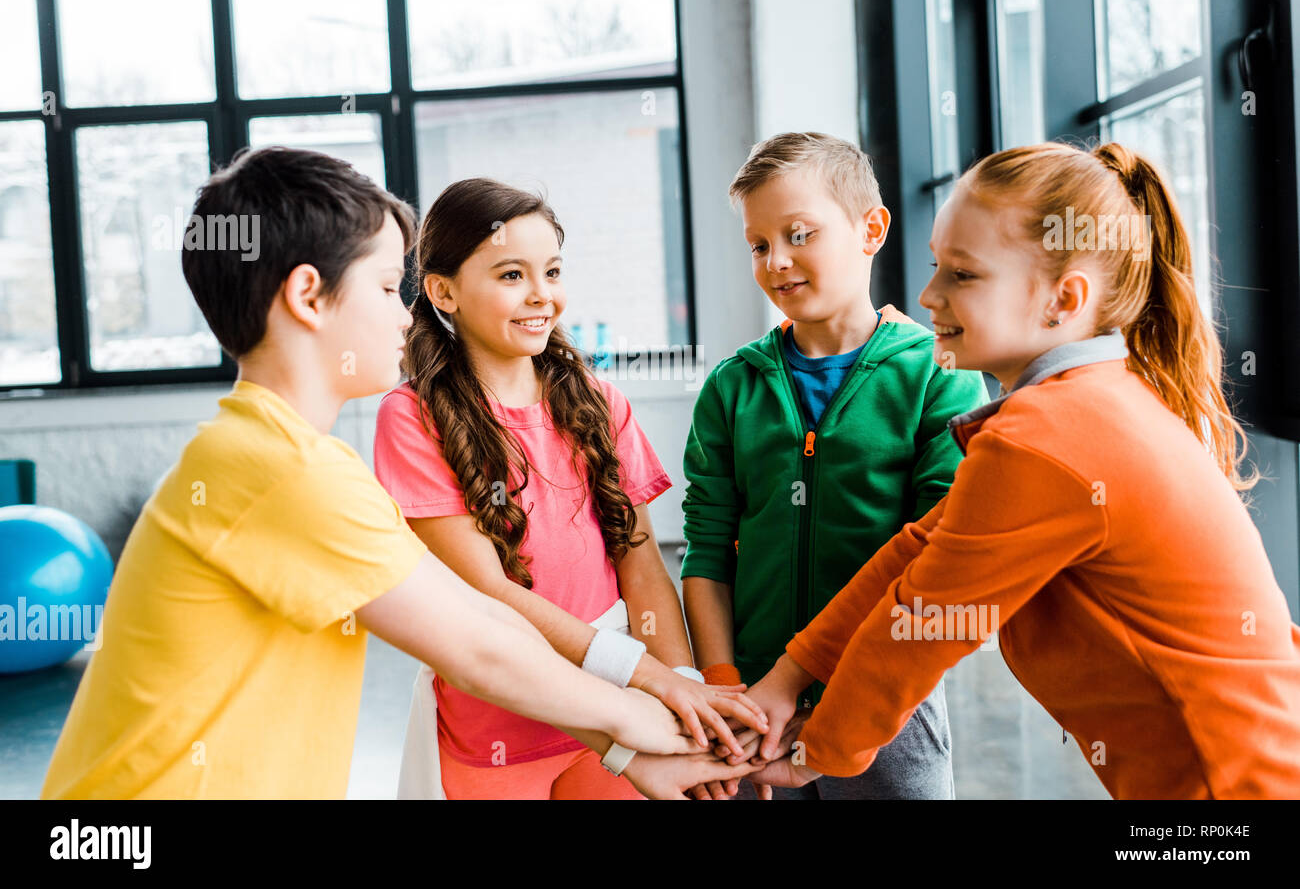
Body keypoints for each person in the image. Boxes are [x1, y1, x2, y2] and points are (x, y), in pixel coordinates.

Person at [40, 147, 751, 800]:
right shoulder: (278, 470)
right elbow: (477, 648)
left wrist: (630, 741)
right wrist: (649, 722)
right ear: (307, 294)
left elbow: (478, 620)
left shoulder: (292, 460)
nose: (404, 312)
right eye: (387, 286)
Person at [733, 141, 1300, 799]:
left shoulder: (1047, 436)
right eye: (936, 266)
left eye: (963, 275)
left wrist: (813, 753)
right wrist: (786, 678)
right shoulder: (1092, 400)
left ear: (1064, 299)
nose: (928, 294)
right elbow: (913, 555)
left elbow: (924, 620)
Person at [373, 177, 767, 799]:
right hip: (499, 730)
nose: (541, 296)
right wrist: (649, 682)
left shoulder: (598, 401)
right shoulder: (411, 416)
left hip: (621, 719)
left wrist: (682, 688)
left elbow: (640, 562)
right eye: (511, 276)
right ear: (444, 291)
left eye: (552, 272)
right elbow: (489, 591)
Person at [680, 132, 987, 799]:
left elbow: (937, 555)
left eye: (799, 234)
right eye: (759, 244)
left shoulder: (940, 374)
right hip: (753, 706)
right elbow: (706, 551)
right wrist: (723, 681)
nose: (777, 261)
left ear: (870, 228)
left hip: (888, 706)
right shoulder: (732, 388)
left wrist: (859, 691)